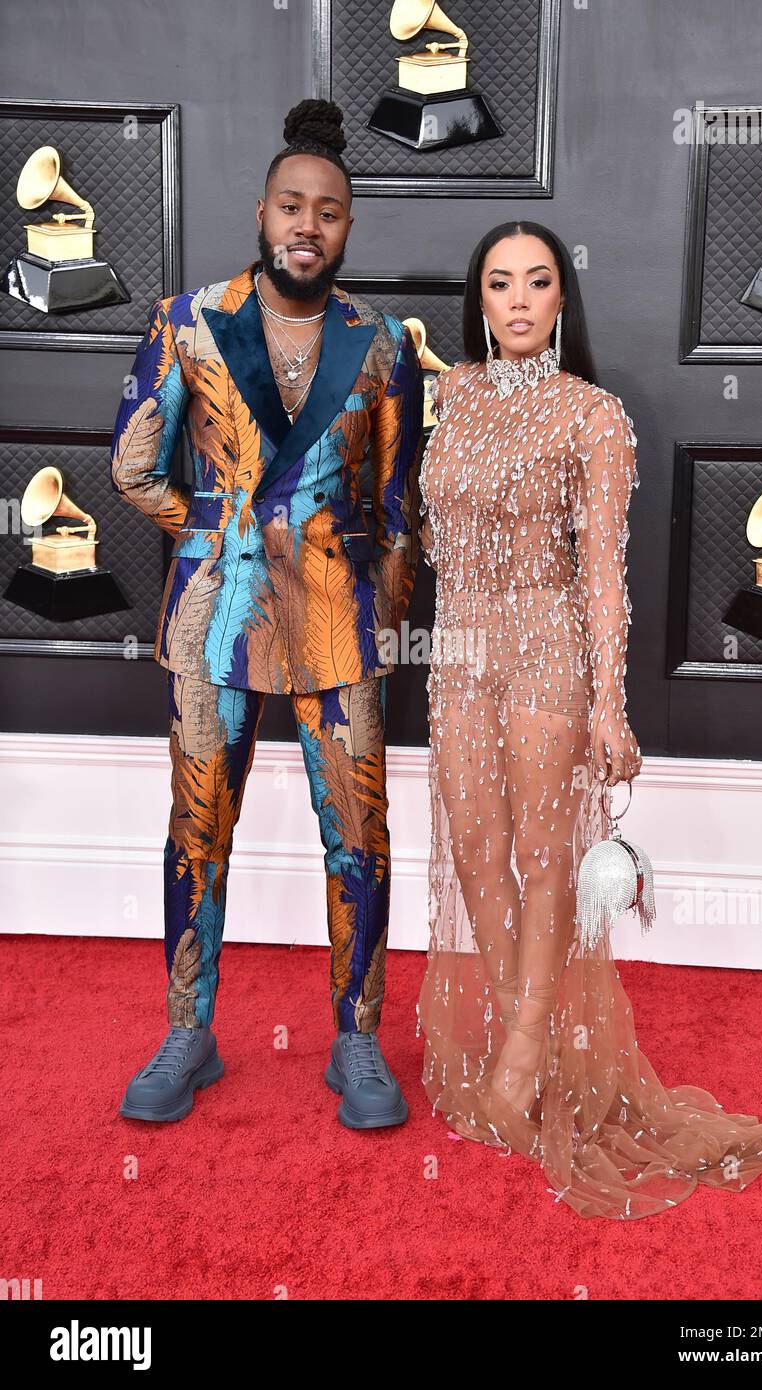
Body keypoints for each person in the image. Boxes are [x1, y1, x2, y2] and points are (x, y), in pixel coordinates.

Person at [416, 220, 762, 1218]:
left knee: (543, 857)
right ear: (479, 298)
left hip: (548, 651)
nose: (514, 300)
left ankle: (523, 1057)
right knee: (470, 846)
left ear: (559, 301)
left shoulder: (594, 416)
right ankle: (516, 1029)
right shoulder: (446, 398)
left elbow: (601, 575)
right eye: (496, 282)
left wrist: (609, 705)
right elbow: (431, 536)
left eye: (535, 283)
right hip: (456, 653)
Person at [110, 99, 423, 1129]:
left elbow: (392, 502)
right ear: (261, 212)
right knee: (197, 829)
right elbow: (132, 466)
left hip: (337, 623)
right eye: (292, 205)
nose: (308, 225)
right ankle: (186, 1033)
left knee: (359, 837)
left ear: (346, 228)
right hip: (217, 618)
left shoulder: (379, 344)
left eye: (328, 212)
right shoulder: (187, 320)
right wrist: (219, 524)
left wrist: (379, 586)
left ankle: (356, 1041)